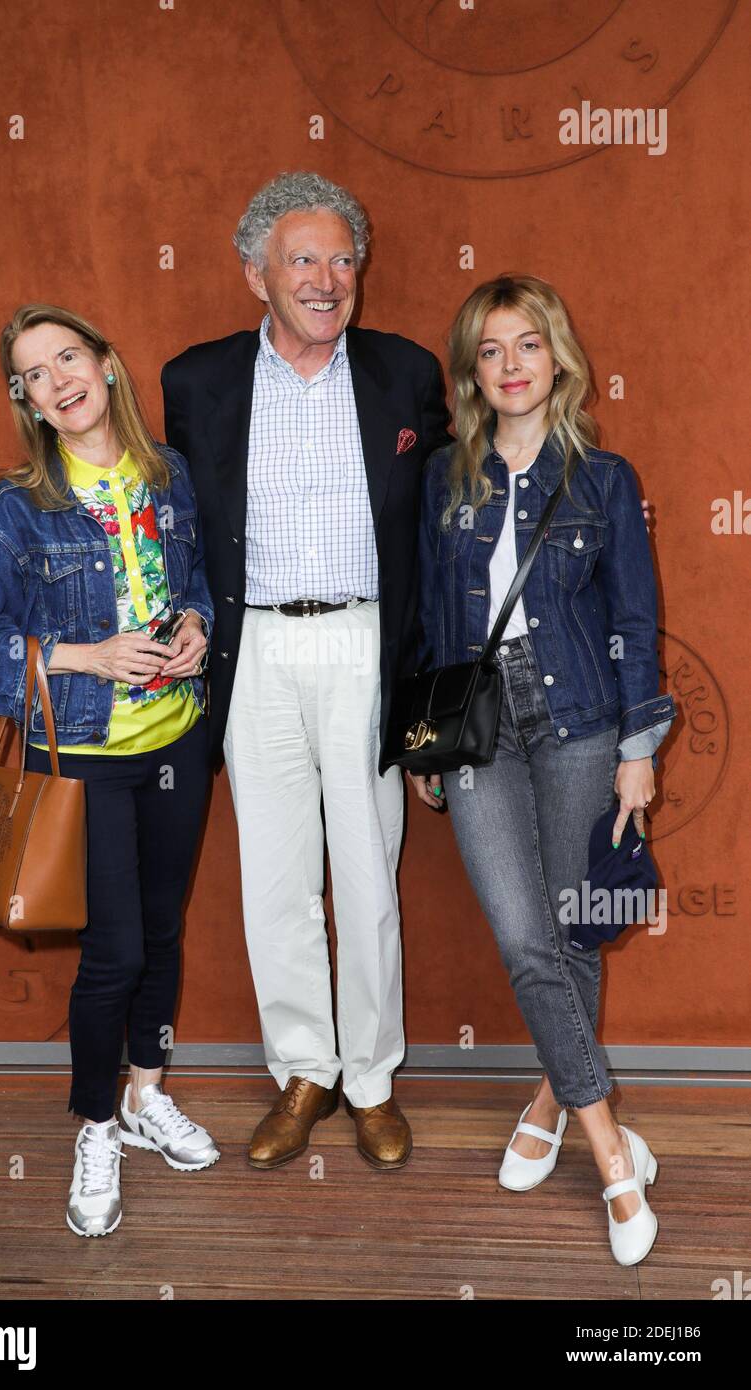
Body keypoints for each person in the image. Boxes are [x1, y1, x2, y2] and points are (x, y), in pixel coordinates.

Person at [161, 171, 454, 1169]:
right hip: (254, 653)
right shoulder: (194, 381)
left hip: (367, 643)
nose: (326, 280)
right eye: (301, 259)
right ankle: (304, 1070)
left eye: (341, 259)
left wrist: (433, 715)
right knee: (274, 874)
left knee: (367, 871)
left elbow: (443, 545)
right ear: (255, 273)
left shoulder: (407, 372)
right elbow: (173, 532)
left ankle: (369, 1078)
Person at [412, 273, 676, 1266]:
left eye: (526, 344)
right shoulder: (446, 475)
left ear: (556, 357)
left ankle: (547, 1095)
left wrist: (637, 753)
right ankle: (610, 1150)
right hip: (479, 721)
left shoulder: (601, 478)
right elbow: (436, 616)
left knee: (572, 935)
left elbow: (632, 620)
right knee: (525, 937)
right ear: (471, 373)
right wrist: (425, 743)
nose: (510, 364)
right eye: (489, 350)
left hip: (576, 716)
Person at [0, 304, 219, 1238]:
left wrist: (193, 631)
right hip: (86, 760)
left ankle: (146, 1094)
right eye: (34, 373)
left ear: (105, 362)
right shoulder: (13, 506)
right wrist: (84, 656)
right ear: (27, 401)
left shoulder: (167, 474)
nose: (58, 379)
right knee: (116, 955)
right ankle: (96, 1125)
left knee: (165, 933)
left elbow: (192, 588)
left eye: (69, 356)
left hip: (176, 745)